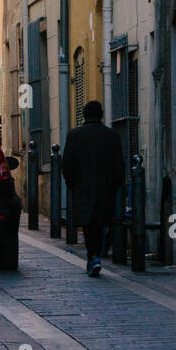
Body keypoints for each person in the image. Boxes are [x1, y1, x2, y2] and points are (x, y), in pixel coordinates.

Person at [61, 100, 125, 277]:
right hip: (105, 188)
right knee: (101, 222)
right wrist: (116, 185)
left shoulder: (74, 135)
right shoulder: (112, 136)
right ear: (101, 115)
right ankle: (96, 255)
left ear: (84, 115)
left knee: (90, 225)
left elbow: (66, 164)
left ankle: (94, 256)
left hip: (83, 188)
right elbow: (119, 166)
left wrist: (72, 184)